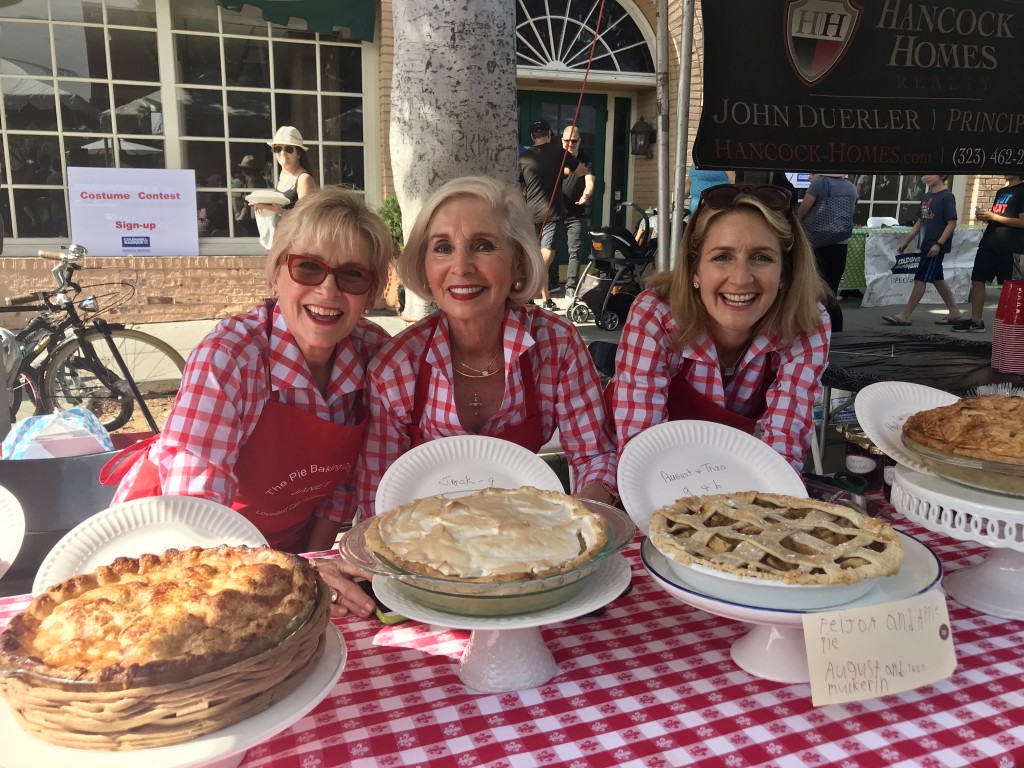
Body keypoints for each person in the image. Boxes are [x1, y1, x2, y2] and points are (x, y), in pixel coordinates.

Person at [104, 188, 394, 617]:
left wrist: (309, 574)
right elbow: (195, 518)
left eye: (352, 276)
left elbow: (342, 491)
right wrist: (289, 578)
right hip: (166, 548)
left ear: (370, 295)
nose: (328, 289)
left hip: (283, 552)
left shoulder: (374, 353)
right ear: (275, 276)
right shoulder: (229, 357)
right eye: (308, 267)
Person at [357, 175, 618, 517]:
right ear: (425, 265)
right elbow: (378, 497)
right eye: (442, 247)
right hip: (425, 546)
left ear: (518, 263)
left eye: (483, 245)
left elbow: (595, 456)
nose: (461, 268)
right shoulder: (396, 366)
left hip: (530, 533)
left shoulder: (557, 343)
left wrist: (579, 523)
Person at [611, 184, 832, 472]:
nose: (740, 279)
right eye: (722, 257)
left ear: (785, 274)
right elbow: (641, 450)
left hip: (727, 473)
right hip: (652, 473)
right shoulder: (655, 315)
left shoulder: (807, 323)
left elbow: (783, 449)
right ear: (694, 270)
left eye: (761, 257)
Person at [518, 119, 586, 309]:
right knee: (543, 260)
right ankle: (532, 294)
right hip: (552, 214)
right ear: (549, 134)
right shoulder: (559, 152)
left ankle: (544, 299)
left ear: (532, 136)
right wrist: (562, 170)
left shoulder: (523, 157)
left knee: (537, 259)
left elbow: (518, 185)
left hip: (529, 215)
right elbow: (581, 170)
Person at [882, 174, 962, 326]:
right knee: (937, 278)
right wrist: (906, 240)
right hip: (926, 244)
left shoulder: (947, 196)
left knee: (920, 278)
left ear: (942, 176)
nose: (926, 177)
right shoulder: (926, 196)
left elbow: (951, 223)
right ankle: (954, 312)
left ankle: (905, 315)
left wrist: (938, 244)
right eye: (925, 174)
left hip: (935, 246)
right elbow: (920, 221)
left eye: (931, 174)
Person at [952, 172, 1024, 333]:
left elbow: (1022, 221)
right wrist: (987, 217)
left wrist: (994, 217)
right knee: (978, 278)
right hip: (990, 241)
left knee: (1009, 286)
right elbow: (999, 216)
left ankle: (1010, 324)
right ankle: (976, 321)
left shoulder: (1022, 190)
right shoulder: (1001, 192)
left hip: (1011, 246)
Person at [797, 173, 858, 332]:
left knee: (813, 288)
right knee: (831, 289)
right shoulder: (851, 187)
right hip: (839, 245)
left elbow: (803, 210)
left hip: (817, 243)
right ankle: (836, 330)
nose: (810, 177)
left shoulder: (819, 184)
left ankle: (814, 328)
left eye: (812, 173)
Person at [249, 126, 318, 218]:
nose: (282, 153)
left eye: (288, 149)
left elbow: (306, 217)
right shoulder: (283, 174)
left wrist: (280, 211)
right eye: (277, 149)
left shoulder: (304, 179)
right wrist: (266, 205)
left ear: (299, 154)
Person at [560, 124, 596, 298]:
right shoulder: (556, 158)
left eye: (574, 141)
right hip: (555, 213)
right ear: (562, 141)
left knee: (574, 250)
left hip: (576, 214)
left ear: (579, 141)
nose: (570, 144)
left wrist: (586, 195)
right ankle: (551, 283)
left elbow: (590, 182)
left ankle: (571, 286)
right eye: (567, 140)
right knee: (549, 250)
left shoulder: (585, 160)